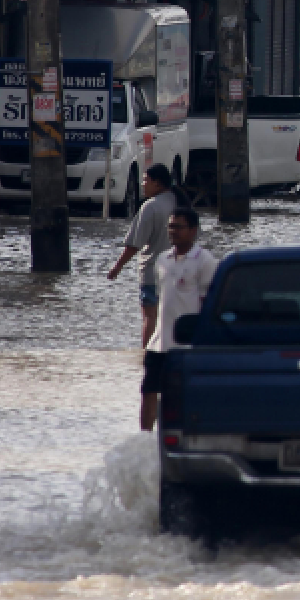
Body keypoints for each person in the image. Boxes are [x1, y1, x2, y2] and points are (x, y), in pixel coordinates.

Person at [141, 207, 217, 431]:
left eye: (178, 227)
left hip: (186, 345)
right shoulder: (162, 260)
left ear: (193, 230)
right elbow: (159, 300)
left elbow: (207, 305)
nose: (173, 231)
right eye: (170, 226)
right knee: (148, 392)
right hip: (159, 343)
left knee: (181, 397)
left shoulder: (205, 261)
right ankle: (144, 441)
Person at [105, 163, 181, 346]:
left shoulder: (151, 207)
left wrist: (117, 267)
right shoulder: (179, 202)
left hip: (152, 273)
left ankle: (146, 356)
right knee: (172, 319)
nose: (143, 184)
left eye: (146, 180)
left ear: (158, 183)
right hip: (177, 273)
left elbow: (134, 244)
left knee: (150, 318)